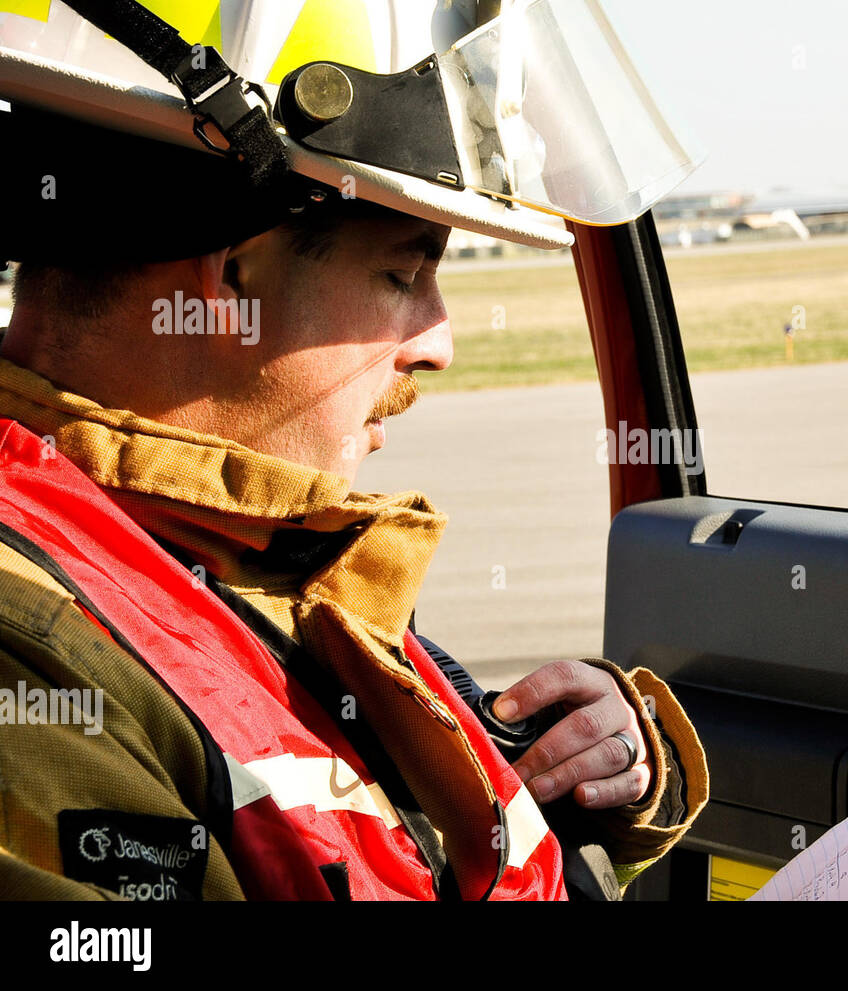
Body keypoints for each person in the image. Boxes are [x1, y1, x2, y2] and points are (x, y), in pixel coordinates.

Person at [0, 0, 707, 901]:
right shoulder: (34, 654)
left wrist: (584, 780)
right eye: (403, 274)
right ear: (236, 273)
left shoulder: (246, 556)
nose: (438, 341)